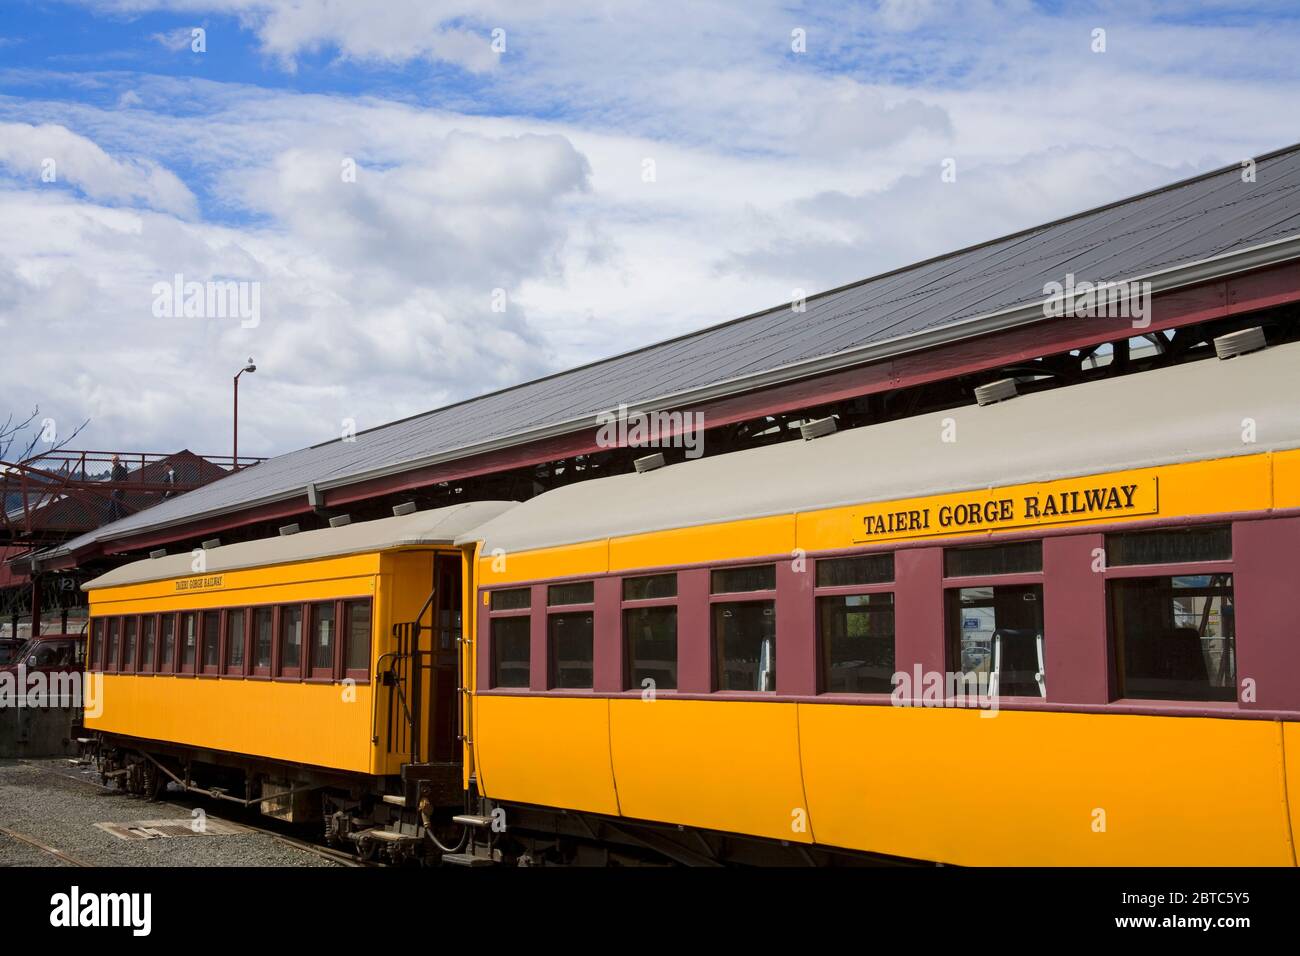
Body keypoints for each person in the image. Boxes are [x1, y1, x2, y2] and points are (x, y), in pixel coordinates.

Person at [107, 454, 128, 521]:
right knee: (112, 507)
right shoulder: (113, 469)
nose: (115, 461)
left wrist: (118, 488)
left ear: (119, 461)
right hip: (113, 490)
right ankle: (112, 520)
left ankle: (124, 518)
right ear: (111, 461)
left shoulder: (122, 470)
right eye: (113, 460)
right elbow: (113, 479)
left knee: (117, 506)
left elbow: (124, 480)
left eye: (116, 460)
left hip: (119, 490)